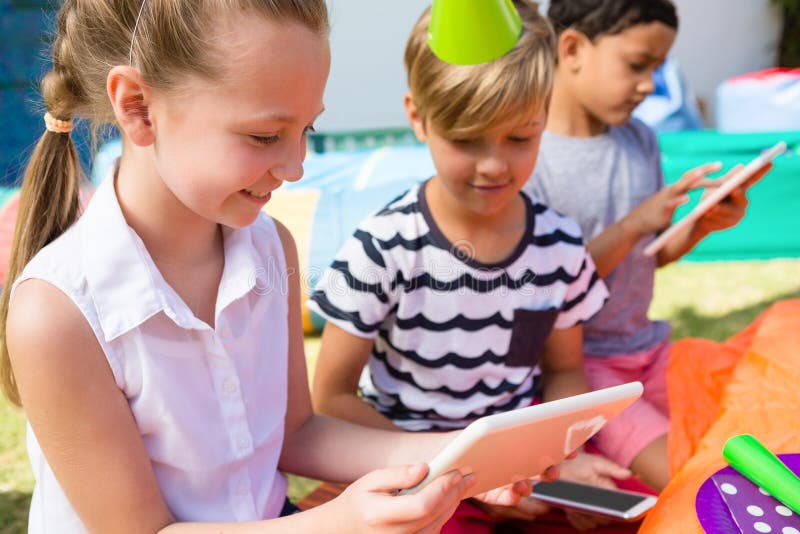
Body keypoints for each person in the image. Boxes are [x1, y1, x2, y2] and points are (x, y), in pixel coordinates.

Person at [0, 1, 567, 531]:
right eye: (266, 135)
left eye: (306, 130)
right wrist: (335, 523)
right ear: (138, 108)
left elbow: (298, 432)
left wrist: (463, 457)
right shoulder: (57, 314)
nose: (296, 167)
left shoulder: (269, 245)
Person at [309, 2, 632, 531]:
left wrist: (556, 456)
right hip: (414, 478)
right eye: (465, 139)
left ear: (544, 116)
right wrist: (465, 477)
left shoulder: (560, 245)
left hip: (526, 477)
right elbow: (332, 398)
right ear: (418, 117)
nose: (493, 165)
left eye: (520, 138)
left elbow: (565, 369)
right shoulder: (383, 245)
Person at [524, 0, 772, 492]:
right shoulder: (528, 156)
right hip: (583, 368)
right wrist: (635, 223)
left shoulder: (640, 140)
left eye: (657, 69)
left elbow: (647, 256)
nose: (648, 86)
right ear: (571, 48)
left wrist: (700, 226)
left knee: (741, 440)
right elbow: (548, 287)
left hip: (651, 350)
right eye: (637, 65)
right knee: (690, 482)